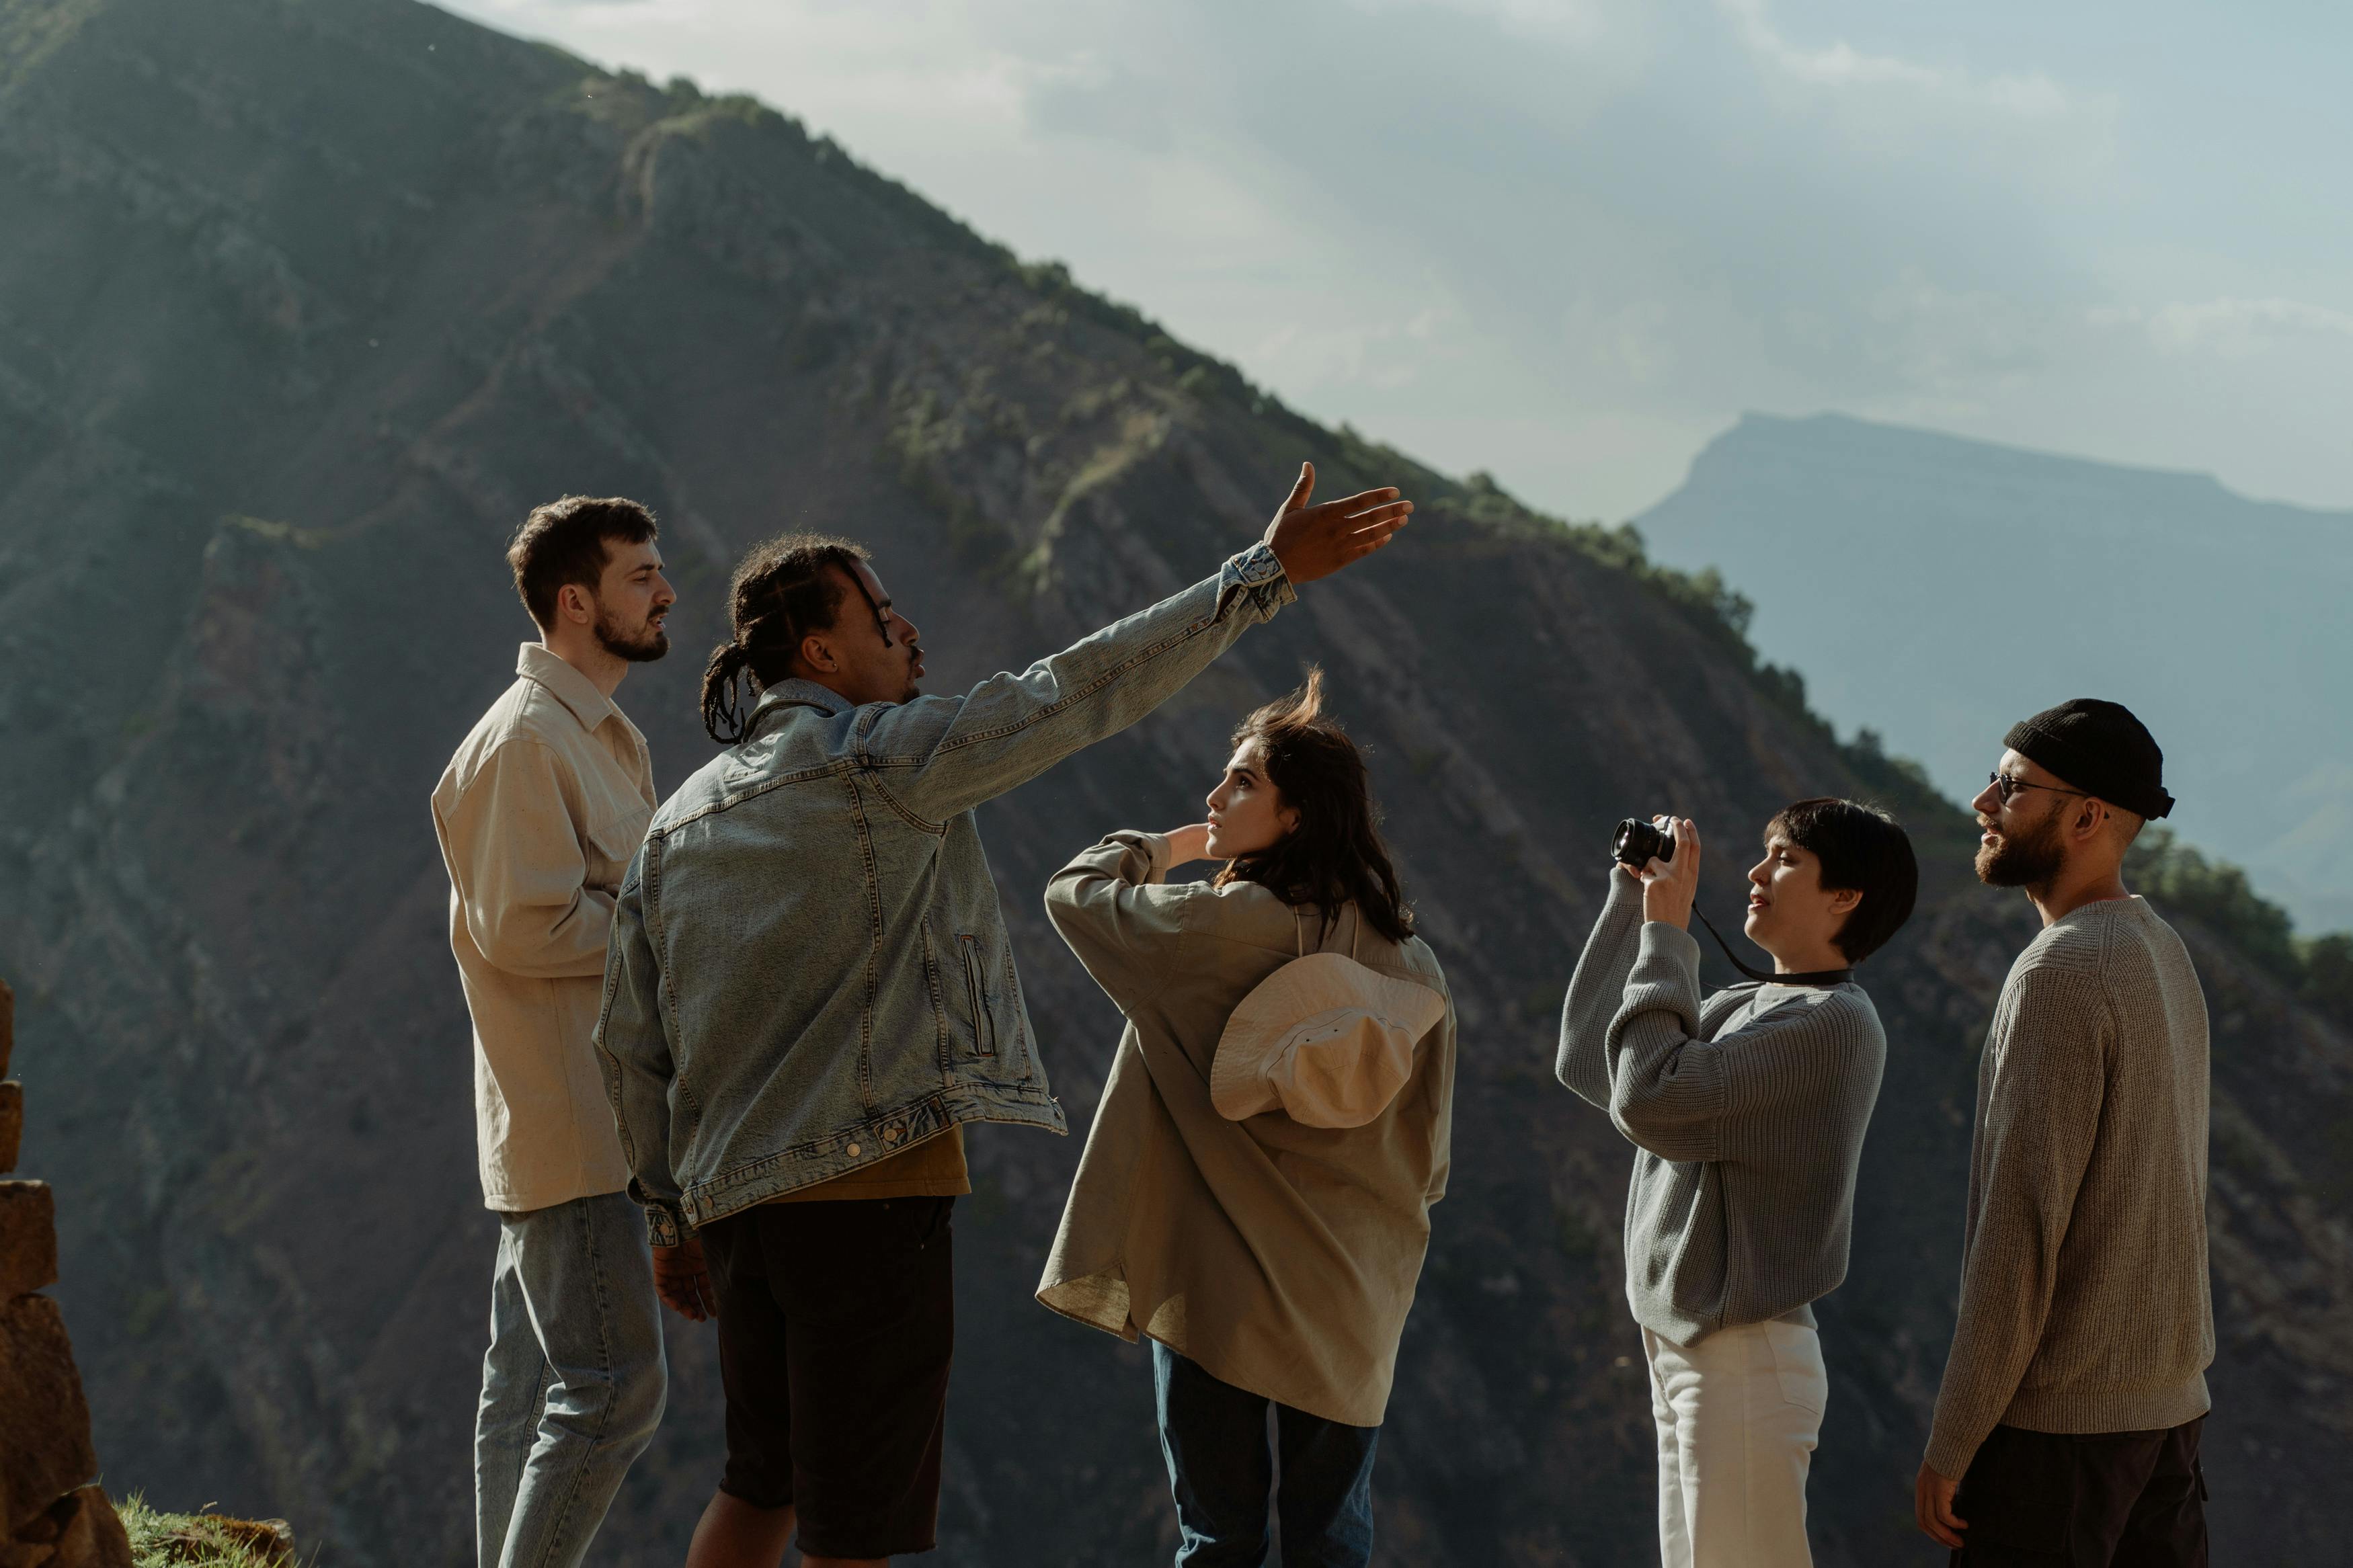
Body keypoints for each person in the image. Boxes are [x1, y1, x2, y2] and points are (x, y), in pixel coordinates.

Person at [595, 464, 1413, 1568]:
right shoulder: (876, 761)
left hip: (734, 1204)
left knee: (759, 1485)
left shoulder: (678, 820)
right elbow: (1071, 692)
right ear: (823, 653)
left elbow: (628, 1040)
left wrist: (664, 1215)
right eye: (881, 616)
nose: (909, 629)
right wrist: (1258, 576)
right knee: (854, 1523)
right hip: (869, 1190)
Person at [1037, 669, 1456, 1568]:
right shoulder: (1416, 966)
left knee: (1217, 1538)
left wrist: (1163, 846)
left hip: (1218, 1284)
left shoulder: (1215, 927)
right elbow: (1433, 1156)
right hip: (1353, 1294)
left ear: (1297, 813)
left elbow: (1073, 894)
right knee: (1333, 1543)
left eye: (1241, 782)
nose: (1215, 794)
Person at [1557, 799, 1918, 1568]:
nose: (1754, 872)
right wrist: (1633, 900)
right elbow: (1593, 1059)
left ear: (1844, 895)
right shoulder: (1740, 1005)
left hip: (1743, 1356)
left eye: (1785, 858)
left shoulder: (1833, 1023)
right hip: (1687, 1348)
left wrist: (1667, 934)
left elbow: (1653, 1097)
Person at [429, 495, 679, 1568]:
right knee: (614, 1389)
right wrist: (676, 923)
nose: (666, 591)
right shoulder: (528, 742)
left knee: (526, 1389)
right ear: (575, 604)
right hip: (574, 1124)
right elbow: (524, 927)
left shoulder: (596, 734)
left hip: (579, 1115)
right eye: (640, 576)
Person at [1915, 699, 2212, 1567]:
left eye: (2011, 787)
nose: (1982, 802)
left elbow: (2022, 1232)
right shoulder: (2162, 950)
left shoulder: (2061, 970)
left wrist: (1954, 1437)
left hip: (2064, 1440)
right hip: (2168, 1419)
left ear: (2086, 816)